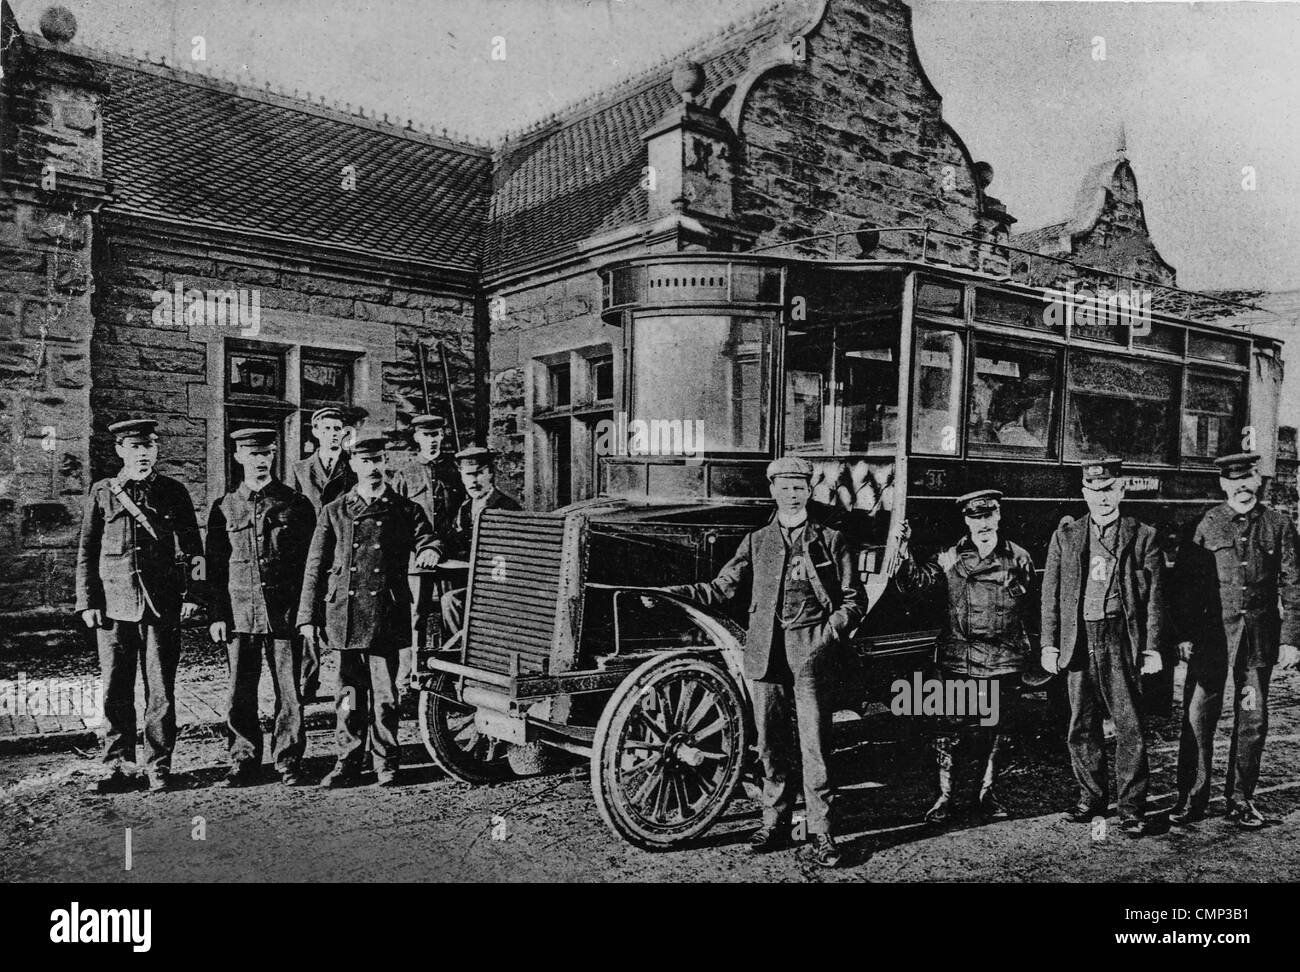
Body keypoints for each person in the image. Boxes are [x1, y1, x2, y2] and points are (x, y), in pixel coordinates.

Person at [643, 456, 866, 867]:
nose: (792, 494)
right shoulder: (757, 540)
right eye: (784, 487)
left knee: (815, 748)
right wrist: (670, 592)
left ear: (809, 491)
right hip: (764, 659)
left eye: (799, 487)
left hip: (811, 658)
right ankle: (775, 822)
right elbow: (720, 588)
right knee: (769, 745)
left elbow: (855, 601)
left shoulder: (830, 539)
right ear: (772, 491)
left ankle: (822, 833)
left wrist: (827, 634)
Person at [296, 437, 438, 787]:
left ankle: (386, 761)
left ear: (384, 462)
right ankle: (347, 760)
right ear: (353, 465)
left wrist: (430, 549)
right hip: (344, 614)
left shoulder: (404, 509)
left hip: (385, 613)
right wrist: (307, 617)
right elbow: (315, 565)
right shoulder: (335, 510)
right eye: (364, 461)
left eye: (377, 460)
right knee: (348, 696)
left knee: (387, 696)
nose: (372, 467)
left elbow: (427, 537)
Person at [1170, 452, 1300, 829]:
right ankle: (1191, 799)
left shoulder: (1279, 525)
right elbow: (1185, 589)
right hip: (1211, 642)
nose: (1243, 486)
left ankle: (1241, 800)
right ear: (1223, 484)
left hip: (1257, 643)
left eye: (1249, 479)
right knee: (1198, 718)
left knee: (1252, 720)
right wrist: (1184, 636)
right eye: (1235, 480)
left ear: (1258, 480)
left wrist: (1291, 639)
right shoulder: (1206, 525)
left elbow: (1293, 585)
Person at [75, 419, 202, 793]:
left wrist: (194, 594)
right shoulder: (102, 493)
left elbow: (195, 550)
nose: (143, 455)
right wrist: (87, 601)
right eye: (135, 448)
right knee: (116, 689)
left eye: (149, 447)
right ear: (120, 451)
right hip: (113, 607)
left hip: (160, 607)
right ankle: (117, 765)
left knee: (160, 691)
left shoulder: (173, 492)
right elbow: (87, 551)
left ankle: (158, 766)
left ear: (157, 451)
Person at [894, 489, 1036, 823]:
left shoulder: (1019, 558)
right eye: (976, 518)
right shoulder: (949, 557)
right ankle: (945, 799)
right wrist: (901, 551)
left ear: (999, 516)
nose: (983, 524)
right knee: (951, 731)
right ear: (966, 521)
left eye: (988, 516)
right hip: (961, 657)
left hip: (1004, 659)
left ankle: (986, 795)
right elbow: (915, 584)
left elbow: (1030, 606)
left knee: (996, 730)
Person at [1040, 457, 1165, 837]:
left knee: (1129, 726)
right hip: (1078, 641)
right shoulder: (1066, 535)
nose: (1102, 498)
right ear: (1084, 493)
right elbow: (1051, 595)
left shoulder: (1143, 535)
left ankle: (1131, 809)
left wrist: (1152, 648)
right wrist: (1049, 644)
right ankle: (1090, 799)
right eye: (1094, 491)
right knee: (1081, 724)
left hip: (1118, 640)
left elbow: (1157, 599)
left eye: (1109, 490)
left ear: (1121, 490)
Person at [205, 428, 316, 787]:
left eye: (267, 453)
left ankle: (287, 759)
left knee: (290, 691)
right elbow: (215, 567)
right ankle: (244, 759)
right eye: (253, 454)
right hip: (240, 614)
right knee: (240, 691)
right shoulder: (224, 507)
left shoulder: (296, 505)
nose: (261, 460)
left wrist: (306, 615)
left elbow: (309, 566)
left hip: (285, 614)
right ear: (238, 457)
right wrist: (217, 614)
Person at [391, 414, 466, 698]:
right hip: (417, 560)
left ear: (442, 436)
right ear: (417, 439)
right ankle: (407, 679)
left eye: (436, 434)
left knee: (454, 612)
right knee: (414, 617)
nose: (432, 440)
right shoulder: (405, 474)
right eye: (426, 435)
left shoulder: (455, 472)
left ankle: (450, 677)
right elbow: (398, 520)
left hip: (452, 559)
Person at [290, 405, 357, 701]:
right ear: (315, 432)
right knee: (307, 617)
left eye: (337, 430)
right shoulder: (300, 468)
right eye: (326, 429)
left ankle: (347, 690)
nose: (332, 435)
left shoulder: (353, 466)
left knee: (340, 615)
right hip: (308, 552)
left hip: (341, 552)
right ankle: (307, 680)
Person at [435, 446, 521, 633]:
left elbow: (513, 556)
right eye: (468, 475)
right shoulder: (465, 508)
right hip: (474, 580)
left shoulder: (506, 508)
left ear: (490, 473)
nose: (473, 481)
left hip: (500, 586)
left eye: (479, 473)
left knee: (452, 600)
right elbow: (452, 539)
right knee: (447, 597)